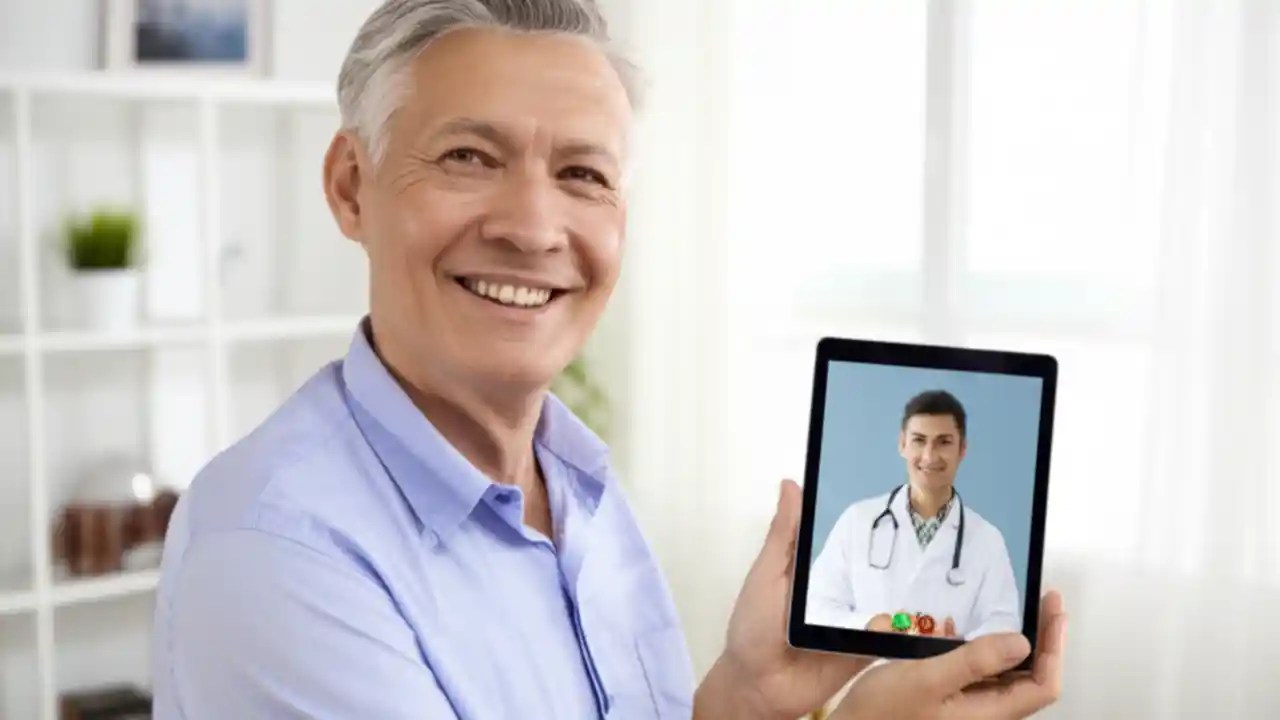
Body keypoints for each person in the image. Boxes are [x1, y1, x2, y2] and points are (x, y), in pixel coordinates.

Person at [150, 1, 1066, 718]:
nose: (533, 228)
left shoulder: (581, 487)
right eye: (470, 156)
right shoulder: (274, 551)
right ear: (352, 187)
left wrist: (745, 698)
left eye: (584, 175)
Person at [807, 390, 1022, 640]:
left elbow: (1004, 625)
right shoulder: (857, 521)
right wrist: (873, 624)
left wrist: (958, 645)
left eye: (944, 442)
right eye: (919, 440)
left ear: (962, 449)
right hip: (867, 674)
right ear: (902, 444)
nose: (929, 456)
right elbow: (816, 609)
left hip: (950, 676)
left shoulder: (987, 539)